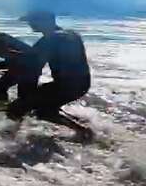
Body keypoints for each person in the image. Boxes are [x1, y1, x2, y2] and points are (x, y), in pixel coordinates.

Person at [5, 11, 93, 141]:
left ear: (44, 21)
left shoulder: (50, 39)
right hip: (82, 83)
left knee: (16, 108)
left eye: (32, 20)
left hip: (66, 86)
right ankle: (80, 126)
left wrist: (25, 97)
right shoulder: (71, 34)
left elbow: (33, 65)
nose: (30, 24)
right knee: (44, 108)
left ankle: (11, 139)